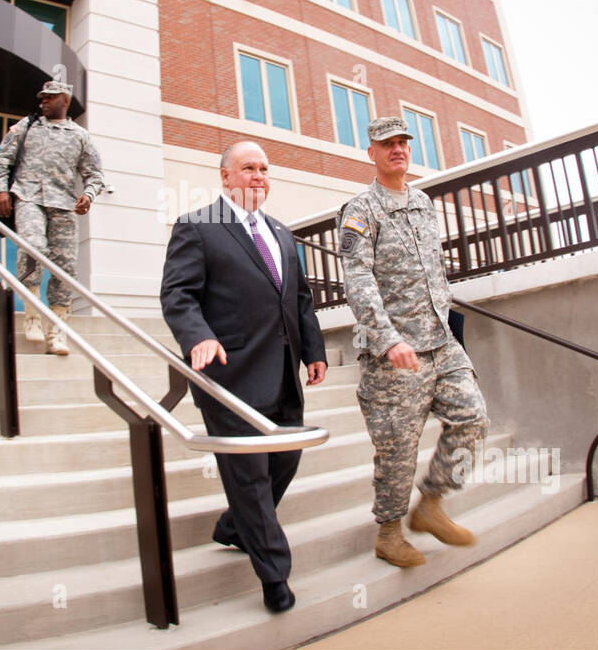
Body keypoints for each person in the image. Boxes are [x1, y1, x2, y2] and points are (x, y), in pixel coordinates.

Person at [160, 141, 327, 613]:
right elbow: (178, 295)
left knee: (286, 458)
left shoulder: (282, 233)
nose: (258, 176)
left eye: (264, 169)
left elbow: (300, 300)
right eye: (248, 168)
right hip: (227, 378)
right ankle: (275, 576)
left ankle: (234, 526)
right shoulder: (197, 226)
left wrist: (312, 351)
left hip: (283, 374)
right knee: (250, 477)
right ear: (225, 177)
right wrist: (198, 337)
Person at [338, 116, 490, 568]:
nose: (398, 149)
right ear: (372, 153)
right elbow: (358, 277)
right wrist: (386, 339)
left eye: (404, 142)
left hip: (440, 343)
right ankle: (388, 532)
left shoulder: (424, 203)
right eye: (387, 144)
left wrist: (443, 320)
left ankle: (432, 503)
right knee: (397, 449)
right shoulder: (361, 209)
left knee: (473, 418)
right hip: (394, 355)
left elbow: (433, 272)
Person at [0, 79, 104, 355]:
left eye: (50, 97)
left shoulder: (80, 135)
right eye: (42, 98)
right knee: (32, 247)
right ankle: (31, 316)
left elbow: (94, 174)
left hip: (63, 205)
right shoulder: (25, 128)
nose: (43, 102)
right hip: (28, 198)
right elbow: (1, 162)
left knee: (66, 268)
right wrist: (2, 190)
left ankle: (58, 332)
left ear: (64, 99)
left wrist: (88, 195)